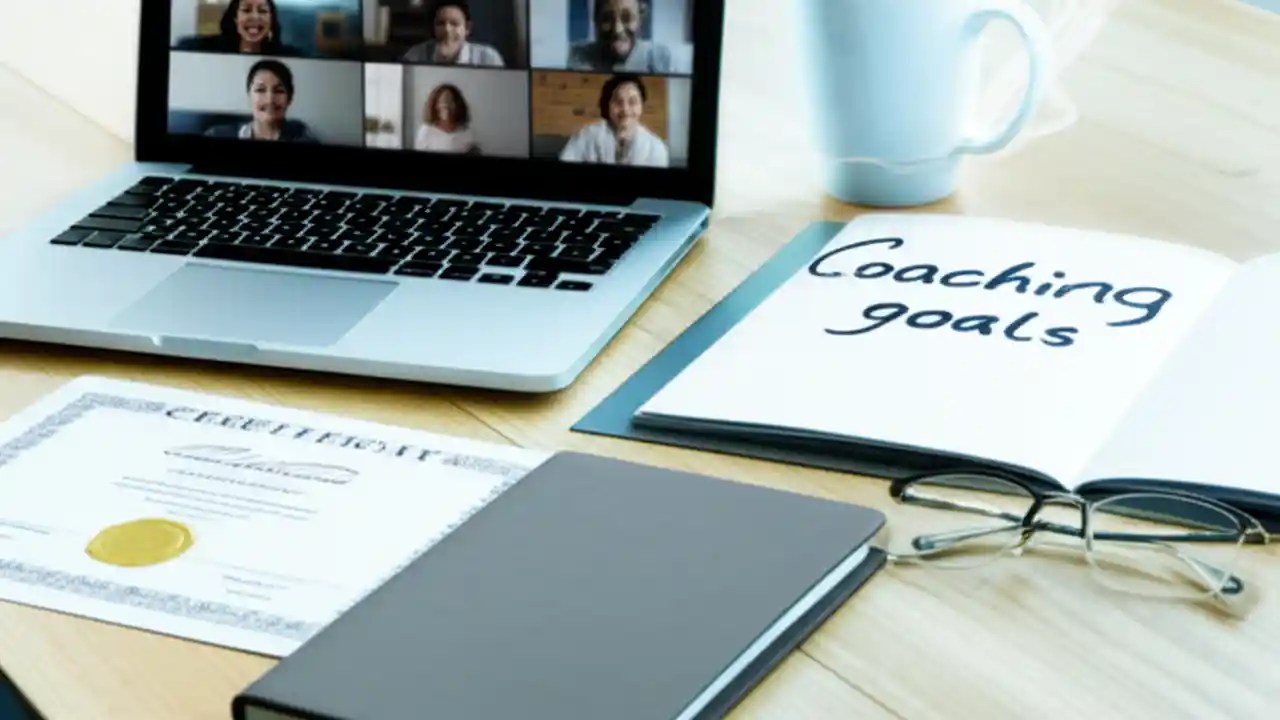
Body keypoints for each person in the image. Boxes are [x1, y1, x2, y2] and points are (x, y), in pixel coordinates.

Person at [559, 74, 669, 167]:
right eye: (618, 101)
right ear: (608, 105)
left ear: (642, 106)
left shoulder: (656, 148)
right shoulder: (586, 136)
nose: (625, 109)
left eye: (632, 102)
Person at [204, 60, 319, 142]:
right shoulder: (216, 136)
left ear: (290, 98)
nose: (270, 99)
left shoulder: (305, 143)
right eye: (260, 90)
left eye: (279, 91)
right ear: (249, 96)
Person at [566, 0, 673, 73]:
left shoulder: (658, 58)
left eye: (627, 18)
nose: (617, 29)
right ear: (596, 20)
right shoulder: (575, 57)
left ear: (640, 20)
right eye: (607, 19)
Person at [175, 0, 303, 56]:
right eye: (246, 10)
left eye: (263, 11)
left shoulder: (290, 56)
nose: (255, 17)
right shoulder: (207, 48)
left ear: (271, 20)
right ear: (235, 19)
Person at [402, 2, 505, 67]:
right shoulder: (415, 55)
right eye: (441, 23)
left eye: (454, 24)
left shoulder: (488, 57)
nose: (447, 30)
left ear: (467, 28)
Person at [415, 84, 480, 154]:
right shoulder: (426, 131)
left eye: (451, 102)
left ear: (458, 105)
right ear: (435, 105)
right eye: (443, 102)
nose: (446, 106)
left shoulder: (467, 132)